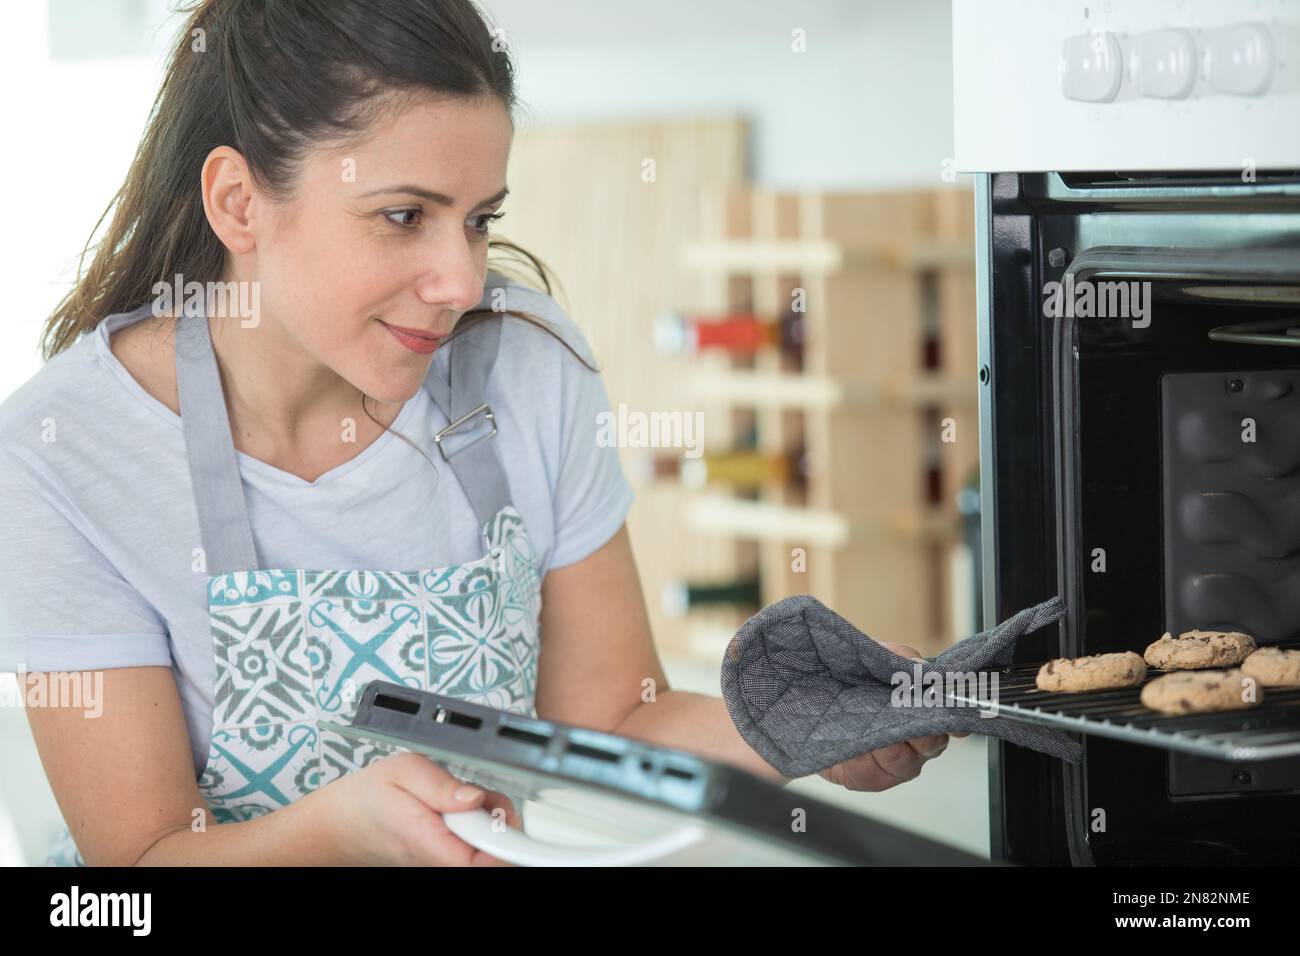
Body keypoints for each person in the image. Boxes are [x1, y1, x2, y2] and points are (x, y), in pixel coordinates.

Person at [0, 0, 955, 867]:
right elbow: (141, 868)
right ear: (239, 203)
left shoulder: (528, 370)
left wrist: (809, 726)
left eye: (479, 221)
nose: (460, 283)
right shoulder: (65, 452)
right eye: (404, 216)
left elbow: (615, 719)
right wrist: (342, 830)